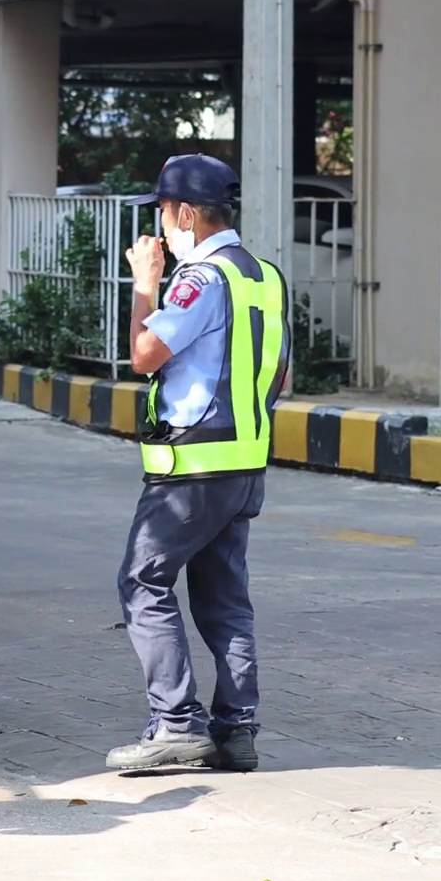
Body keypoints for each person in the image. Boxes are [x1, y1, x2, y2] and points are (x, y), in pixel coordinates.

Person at [104, 154, 289, 774]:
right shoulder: (265, 277)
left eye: (162, 211)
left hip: (192, 467)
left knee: (143, 582)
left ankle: (176, 725)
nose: (160, 225)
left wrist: (144, 286)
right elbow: (281, 375)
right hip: (244, 467)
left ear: (185, 212)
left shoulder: (200, 279)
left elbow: (145, 355)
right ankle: (237, 732)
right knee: (225, 602)